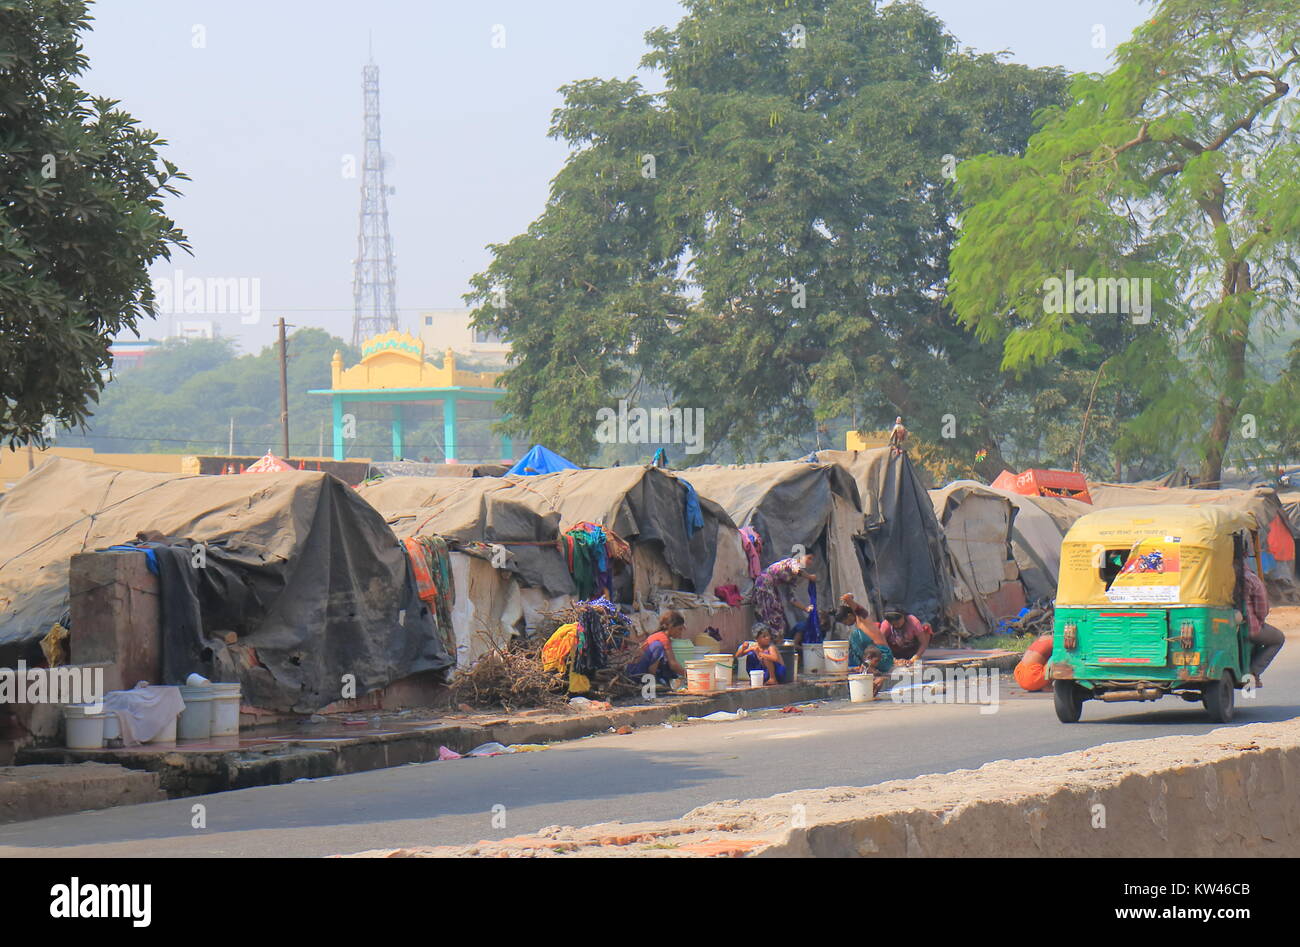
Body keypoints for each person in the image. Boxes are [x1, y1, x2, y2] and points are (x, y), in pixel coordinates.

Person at [752, 552, 816, 646]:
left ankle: (775, 647)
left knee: (779, 620)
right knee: (774, 617)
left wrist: (805, 608)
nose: (810, 562)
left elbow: (792, 599)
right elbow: (796, 570)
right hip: (763, 585)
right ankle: (769, 646)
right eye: (809, 558)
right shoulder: (792, 562)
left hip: (770, 588)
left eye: (812, 560)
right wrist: (809, 577)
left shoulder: (792, 578)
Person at [1242, 565, 1284, 686]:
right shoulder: (1250, 578)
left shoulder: (1217, 577)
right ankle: (1253, 672)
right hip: (1249, 628)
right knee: (1279, 638)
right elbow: (1262, 611)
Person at [835, 594, 895, 675]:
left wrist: (849, 601)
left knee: (854, 635)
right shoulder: (858, 625)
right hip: (869, 660)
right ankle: (865, 666)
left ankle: (870, 668)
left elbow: (860, 611)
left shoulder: (865, 622)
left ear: (849, 615)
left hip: (883, 658)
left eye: (846, 622)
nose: (846, 624)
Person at [626, 610, 687, 688]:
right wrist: (689, 675)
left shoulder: (663, 637)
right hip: (636, 672)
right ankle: (651, 681)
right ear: (671, 627)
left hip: (640, 671)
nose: (680, 632)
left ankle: (654, 680)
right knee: (658, 647)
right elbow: (673, 664)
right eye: (679, 629)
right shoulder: (662, 639)